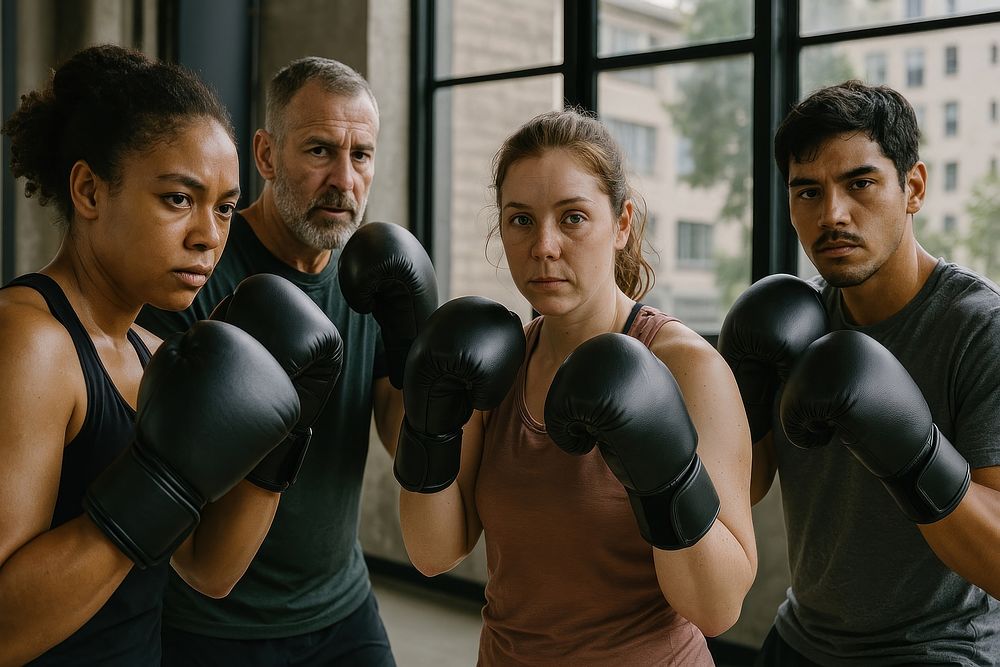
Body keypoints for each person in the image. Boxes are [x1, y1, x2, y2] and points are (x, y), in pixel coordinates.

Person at [397, 108, 758, 665]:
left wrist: (664, 474)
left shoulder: (687, 367)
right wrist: (427, 421)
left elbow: (718, 608)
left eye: (572, 218)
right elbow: (432, 552)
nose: (544, 245)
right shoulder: (492, 363)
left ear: (621, 224)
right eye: (521, 220)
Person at [0, 44, 309, 665]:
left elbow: (208, 570)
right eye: (177, 198)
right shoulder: (32, 343)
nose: (209, 236)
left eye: (224, 207)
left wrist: (281, 437)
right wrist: (157, 483)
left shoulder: (155, 353)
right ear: (89, 190)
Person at [138, 57, 436, 666]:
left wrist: (415, 357)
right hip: (211, 624)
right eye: (320, 150)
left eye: (361, 156)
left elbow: (403, 446)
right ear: (267, 156)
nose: (344, 180)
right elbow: (162, 484)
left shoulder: (375, 280)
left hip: (344, 609)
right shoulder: (196, 276)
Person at [719, 80, 1000, 665]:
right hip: (802, 636)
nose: (833, 214)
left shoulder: (978, 329)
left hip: (937, 650)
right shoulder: (791, 322)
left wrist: (915, 456)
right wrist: (740, 407)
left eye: (860, 183)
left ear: (913, 187)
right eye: (807, 192)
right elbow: (738, 495)